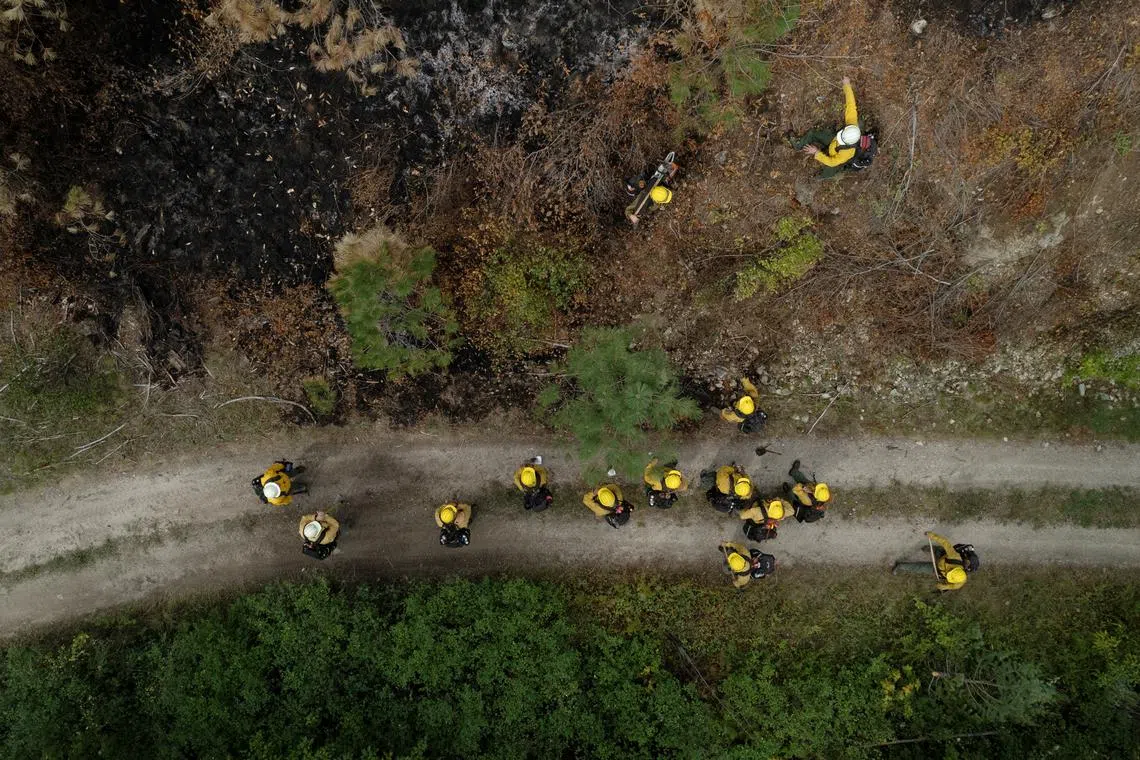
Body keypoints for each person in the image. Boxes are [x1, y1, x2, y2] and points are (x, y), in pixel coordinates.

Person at [791, 77, 869, 178]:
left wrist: (817, 153)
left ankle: (822, 177)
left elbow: (832, 162)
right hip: (833, 143)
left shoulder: (847, 153)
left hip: (835, 157)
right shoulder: (852, 125)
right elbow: (851, 105)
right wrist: (847, 85)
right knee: (813, 134)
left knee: (830, 169)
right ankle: (799, 145)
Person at [893, 532, 981, 591]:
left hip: (938, 571)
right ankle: (932, 549)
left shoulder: (959, 581)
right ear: (954, 569)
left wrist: (943, 587)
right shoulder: (954, 556)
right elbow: (945, 542)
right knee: (940, 551)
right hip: (943, 557)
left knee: (919, 567)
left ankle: (899, 566)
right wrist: (932, 536)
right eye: (949, 572)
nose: (948, 574)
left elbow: (953, 586)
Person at [624, 157, 679, 225]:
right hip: (642, 188)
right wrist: (675, 169)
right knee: (641, 182)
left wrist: (631, 216)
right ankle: (632, 185)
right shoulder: (645, 202)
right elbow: (667, 179)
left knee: (643, 182)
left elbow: (627, 211)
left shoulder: (644, 202)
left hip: (647, 186)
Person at [785, 458, 831, 523]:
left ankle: (787, 490)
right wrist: (810, 488)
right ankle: (794, 472)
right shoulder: (824, 496)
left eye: (816, 489)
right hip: (808, 490)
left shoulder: (807, 500)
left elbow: (796, 489)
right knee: (805, 481)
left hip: (801, 492)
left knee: (792, 496)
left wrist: (804, 487)